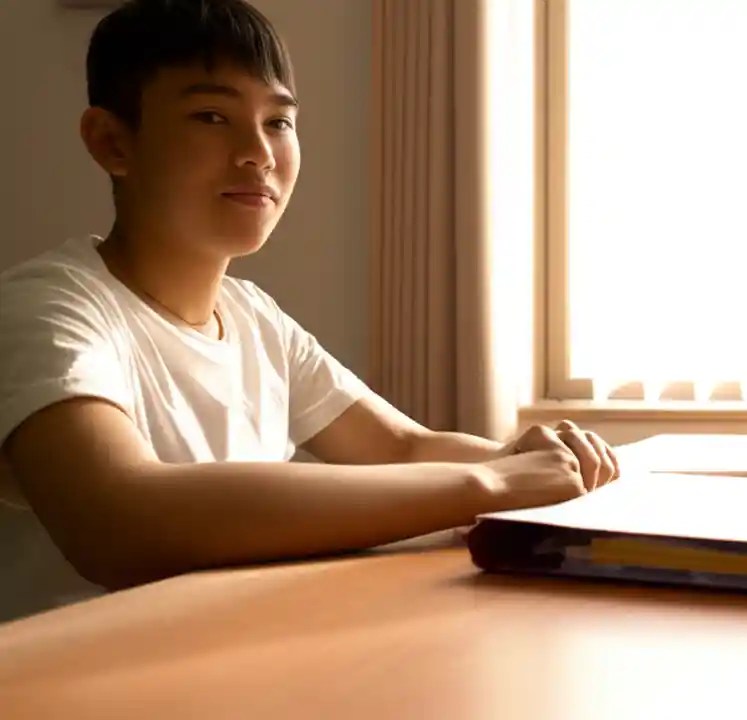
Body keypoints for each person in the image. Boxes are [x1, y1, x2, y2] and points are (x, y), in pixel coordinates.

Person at [0, 0, 617, 620]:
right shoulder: (49, 310)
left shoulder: (252, 317)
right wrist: (488, 484)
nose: (258, 153)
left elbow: (400, 448)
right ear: (112, 143)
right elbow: (119, 520)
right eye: (211, 116)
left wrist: (524, 458)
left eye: (278, 122)